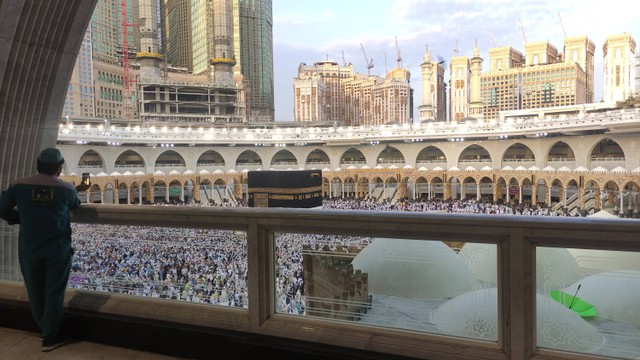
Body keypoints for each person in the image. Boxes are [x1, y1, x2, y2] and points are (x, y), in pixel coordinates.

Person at [0, 148, 90, 351]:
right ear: (59, 168)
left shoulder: (18, 185)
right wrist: (77, 189)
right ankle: (49, 336)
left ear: (38, 165)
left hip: (29, 248)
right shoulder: (66, 188)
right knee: (54, 292)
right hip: (57, 250)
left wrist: (21, 218)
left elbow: (2, 208)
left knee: (35, 291)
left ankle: (45, 330)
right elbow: (75, 205)